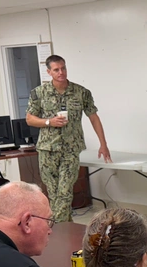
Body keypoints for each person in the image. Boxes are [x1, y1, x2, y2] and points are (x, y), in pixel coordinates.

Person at [25, 55, 111, 224]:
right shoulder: (39, 93)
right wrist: (49, 122)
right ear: (49, 72)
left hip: (71, 149)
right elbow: (30, 119)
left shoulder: (81, 92)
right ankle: (67, 228)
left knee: (64, 192)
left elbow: (94, 118)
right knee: (54, 193)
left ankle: (55, 228)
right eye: (56, 69)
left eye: (63, 68)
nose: (61, 72)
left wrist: (103, 144)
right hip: (47, 149)